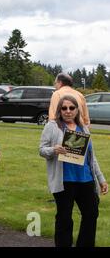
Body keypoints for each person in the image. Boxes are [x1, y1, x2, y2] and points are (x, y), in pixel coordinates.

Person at [40, 95, 108, 247]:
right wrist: (53, 150)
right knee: (64, 218)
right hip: (64, 181)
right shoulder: (52, 126)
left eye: (72, 108)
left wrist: (101, 179)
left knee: (91, 215)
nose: (68, 111)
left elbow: (92, 157)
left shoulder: (83, 128)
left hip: (86, 179)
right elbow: (41, 150)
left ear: (77, 110)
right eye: (64, 108)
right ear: (59, 110)